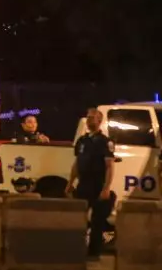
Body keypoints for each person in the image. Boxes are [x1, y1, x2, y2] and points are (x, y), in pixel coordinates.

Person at [67, 108, 115, 260]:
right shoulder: (82, 141)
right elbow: (76, 164)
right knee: (78, 219)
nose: (88, 120)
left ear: (100, 121)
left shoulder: (105, 142)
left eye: (92, 118)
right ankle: (75, 250)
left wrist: (106, 188)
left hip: (98, 185)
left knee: (97, 221)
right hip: (83, 185)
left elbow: (109, 166)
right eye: (87, 117)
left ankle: (94, 253)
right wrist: (70, 182)